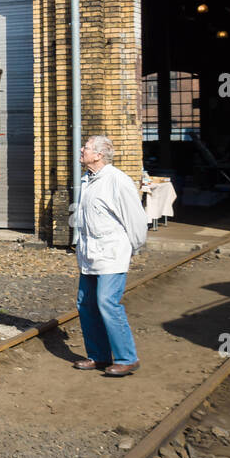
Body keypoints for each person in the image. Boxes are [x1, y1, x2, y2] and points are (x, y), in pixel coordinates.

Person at [72, 134, 147, 377]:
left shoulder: (117, 180)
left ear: (99, 155)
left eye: (86, 147)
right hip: (89, 254)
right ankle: (99, 355)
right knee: (86, 304)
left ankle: (127, 358)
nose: (81, 150)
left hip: (112, 253)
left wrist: (131, 248)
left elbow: (136, 219)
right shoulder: (88, 180)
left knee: (106, 302)